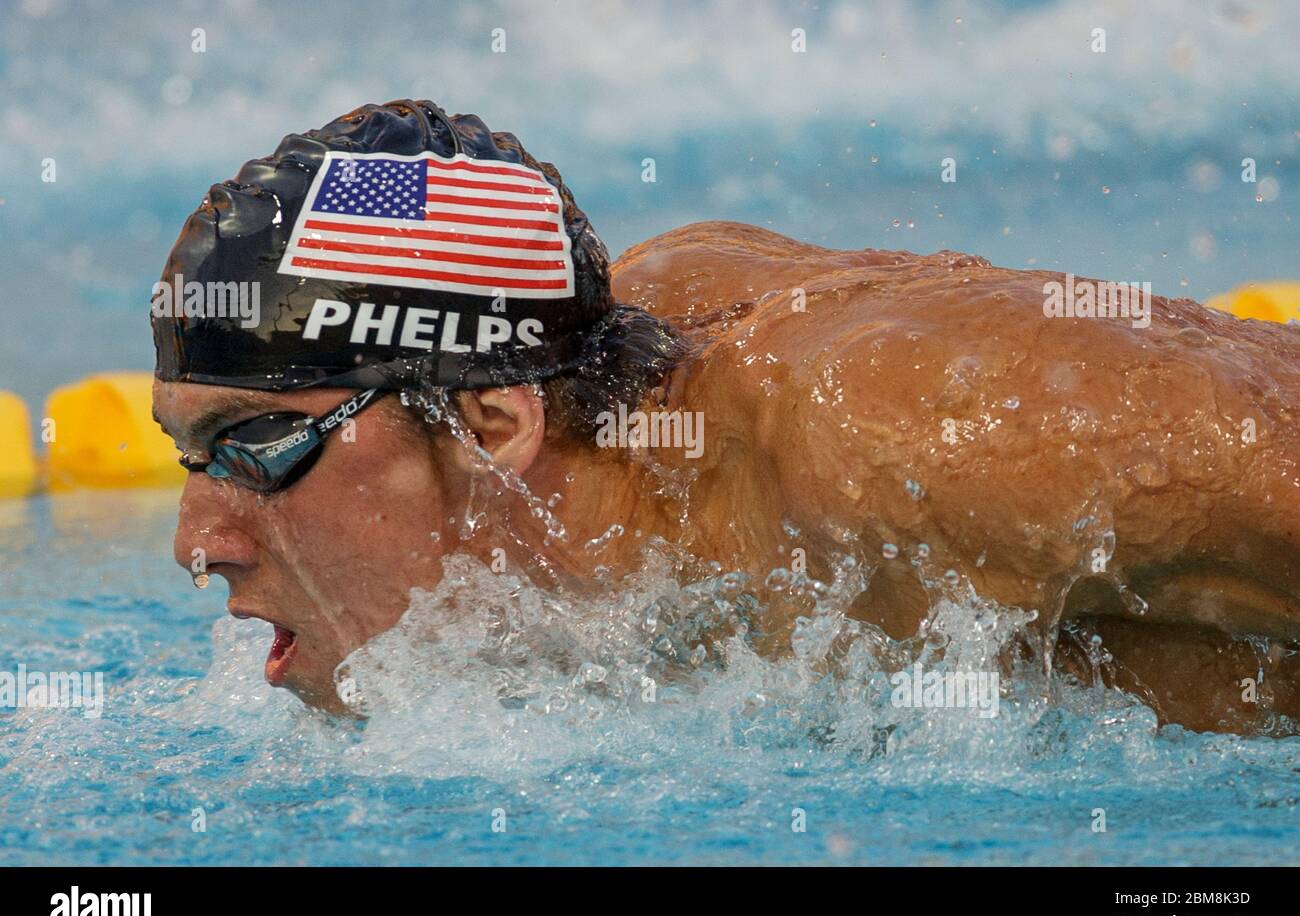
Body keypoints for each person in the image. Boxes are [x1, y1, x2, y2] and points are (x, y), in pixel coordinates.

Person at [152, 99, 1299, 734]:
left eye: (253, 448)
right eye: (188, 456)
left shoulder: (903, 441)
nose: (197, 542)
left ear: (492, 424)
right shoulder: (605, 456)